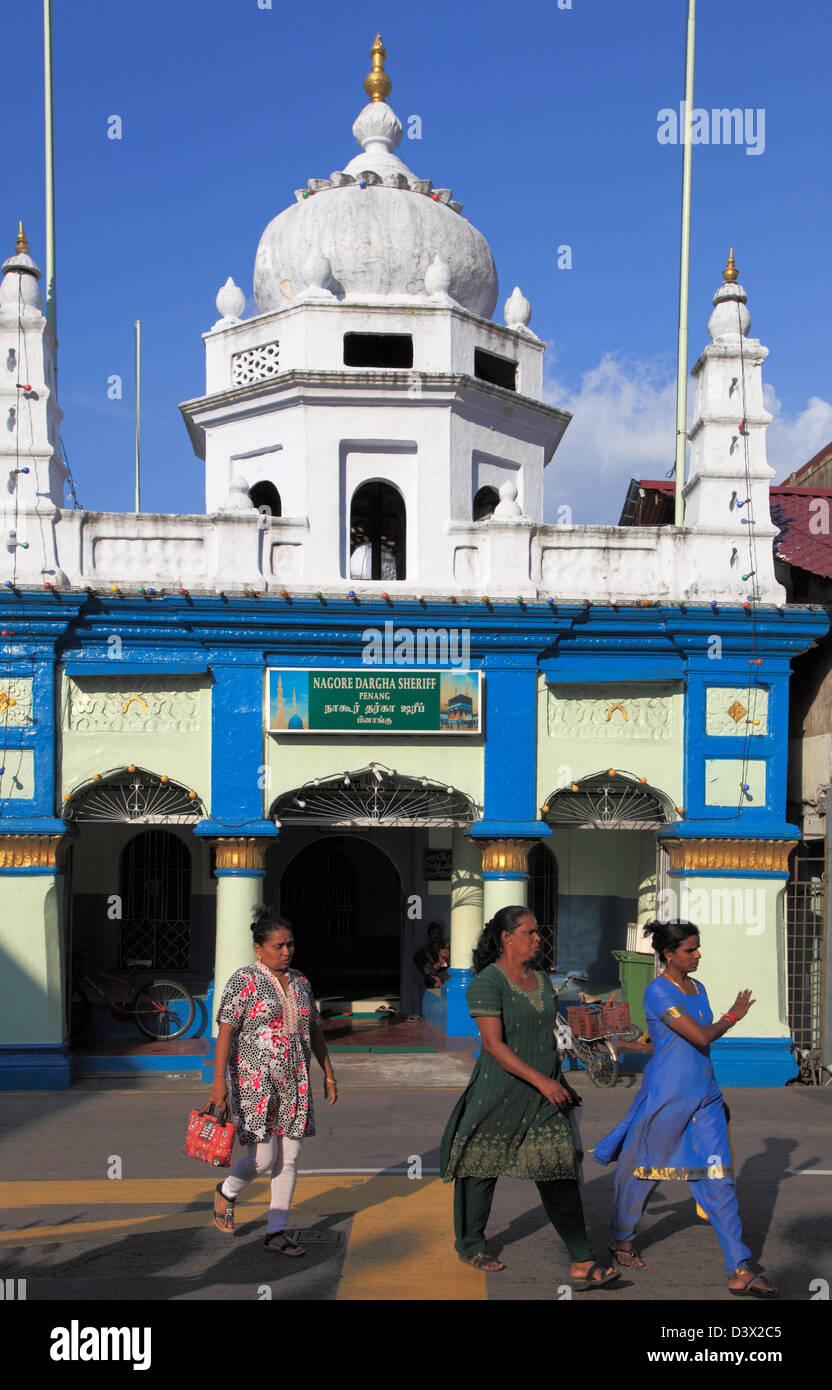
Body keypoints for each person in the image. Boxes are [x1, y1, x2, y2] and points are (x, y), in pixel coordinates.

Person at [440, 905, 620, 1290]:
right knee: (479, 1170)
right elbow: (493, 1044)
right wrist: (544, 1081)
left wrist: (560, 1084)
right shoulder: (487, 983)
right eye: (530, 932)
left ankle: (582, 1259)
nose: (538, 938)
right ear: (507, 938)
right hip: (498, 1091)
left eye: (538, 932)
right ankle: (471, 1244)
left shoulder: (540, 979)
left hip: (544, 1095)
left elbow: (546, 1039)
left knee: (558, 1172)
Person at [592, 919, 775, 1296]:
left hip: (705, 1095)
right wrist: (733, 1016)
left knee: (718, 1178)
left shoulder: (698, 987)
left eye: (697, 948)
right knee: (644, 1171)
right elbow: (701, 1035)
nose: (697, 955)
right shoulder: (659, 992)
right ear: (668, 954)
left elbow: (700, 1046)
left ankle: (738, 1268)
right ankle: (622, 1238)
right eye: (689, 950)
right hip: (668, 1095)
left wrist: (714, 1091)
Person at [209, 905, 337, 1254]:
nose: (286, 951)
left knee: (291, 1156)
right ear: (258, 949)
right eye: (279, 946)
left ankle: (276, 1232)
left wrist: (328, 1072)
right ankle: (227, 1191)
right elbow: (225, 1034)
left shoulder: (301, 982)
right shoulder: (243, 980)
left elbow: (315, 1029)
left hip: (295, 1080)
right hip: (254, 1083)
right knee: (263, 1159)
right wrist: (218, 1083)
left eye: (290, 945)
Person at [414, 921, 450, 988]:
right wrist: (440, 963)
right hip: (438, 985)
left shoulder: (449, 945)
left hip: (452, 981)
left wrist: (448, 958)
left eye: (438, 933)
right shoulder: (423, 953)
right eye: (433, 933)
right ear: (429, 935)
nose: (436, 935)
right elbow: (428, 972)